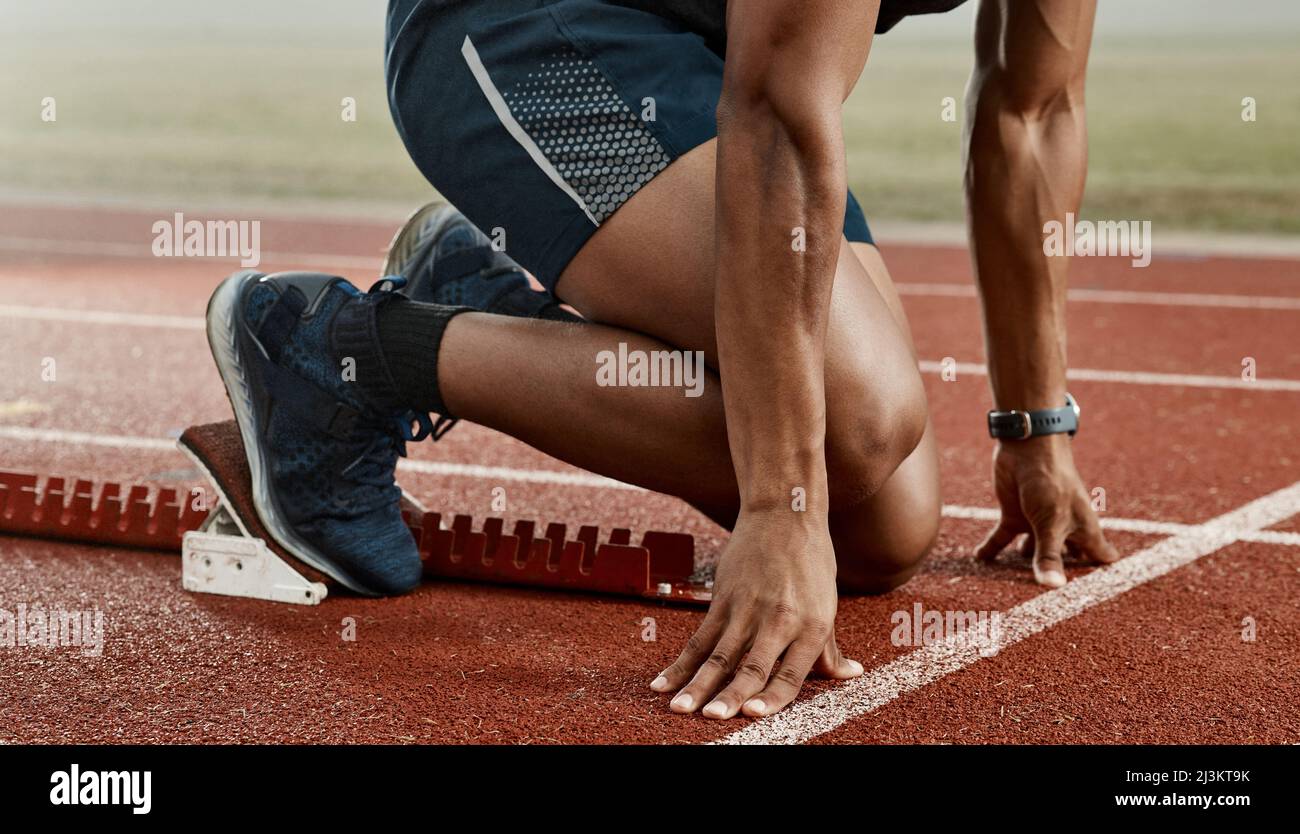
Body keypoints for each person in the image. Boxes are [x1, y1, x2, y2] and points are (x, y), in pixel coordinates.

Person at [204, 0, 1117, 721]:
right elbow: (778, 114)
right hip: (518, 25)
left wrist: (1038, 428)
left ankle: (476, 305)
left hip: (696, 69)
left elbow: (1034, 112)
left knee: (883, 530)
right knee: (854, 430)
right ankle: (335, 355)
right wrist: (775, 504)